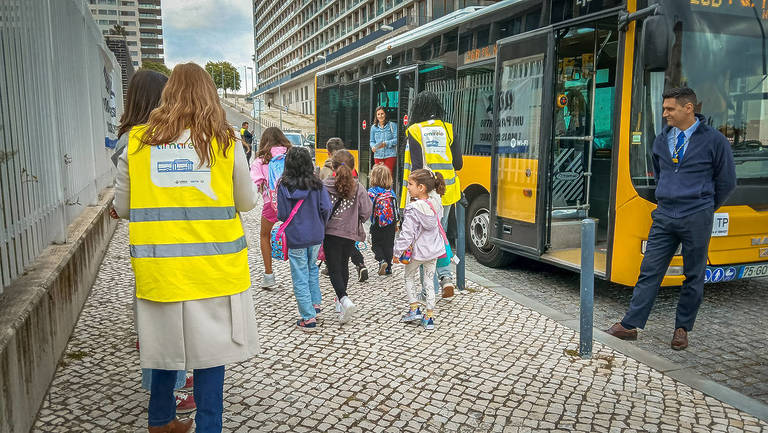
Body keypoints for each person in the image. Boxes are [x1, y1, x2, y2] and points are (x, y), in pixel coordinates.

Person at [114, 63, 260, 433]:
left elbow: (124, 207)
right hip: (214, 269)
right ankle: (209, 426)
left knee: (164, 350)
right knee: (212, 356)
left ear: (168, 94)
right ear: (210, 94)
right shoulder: (226, 142)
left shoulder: (138, 142)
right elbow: (246, 202)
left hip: (161, 268)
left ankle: (161, 420)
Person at [605, 87, 736, 350]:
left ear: (688, 109)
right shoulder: (662, 139)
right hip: (664, 215)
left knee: (693, 275)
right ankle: (630, 325)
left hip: (696, 216)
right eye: (664, 108)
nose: (664, 113)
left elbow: (727, 181)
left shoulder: (714, 140)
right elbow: (659, 172)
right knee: (649, 271)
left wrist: (705, 206)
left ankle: (682, 329)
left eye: (670, 109)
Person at [111, 69, 196, 415]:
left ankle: (169, 391)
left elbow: (124, 205)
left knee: (157, 316)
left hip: (150, 244)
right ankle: (172, 394)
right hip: (164, 242)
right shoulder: (143, 140)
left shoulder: (129, 138)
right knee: (166, 319)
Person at [401, 91, 463, 297]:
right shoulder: (448, 129)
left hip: (426, 194)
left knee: (425, 241)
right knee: (441, 235)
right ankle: (446, 277)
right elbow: (459, 164)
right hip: (448, 192)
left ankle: (430, 290)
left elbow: (417, 168)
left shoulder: (415, 130)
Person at [276, 147, 332, 332]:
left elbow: (283, 214)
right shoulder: (317, 184)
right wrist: (319, 223)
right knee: (311, 270)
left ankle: (308, 318)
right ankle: (315, 304)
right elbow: (326, 207)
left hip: (296, 236)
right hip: (316, 234)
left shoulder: (283, 185)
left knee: (300, 275)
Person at [393, 169, 448, 331]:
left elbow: (407, 234)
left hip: (417, 252)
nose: (408, 187)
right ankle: (429, 317)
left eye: (410, 184)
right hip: (434, 251)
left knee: (408, 277)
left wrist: (397, 252)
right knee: (429, 281)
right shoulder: (436, 203)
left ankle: (414, 309)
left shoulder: (413, 208)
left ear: (421, 187)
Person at [323, 150, 372, 323]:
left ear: (333, 167)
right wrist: (356, 219)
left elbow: (320, 208)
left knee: (334, 268)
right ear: (353, 167)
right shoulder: (358, 187)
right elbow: (366, 212)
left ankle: (343, 298)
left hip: (330, 232)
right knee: (343, 265)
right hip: (350, 233)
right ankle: (340, 301)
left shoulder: (325, 185)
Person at [318, 137, 369, 282]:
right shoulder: (353, 173)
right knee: (345, 255)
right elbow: (365, 209)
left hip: (331, 226)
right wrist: (358, 219)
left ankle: (341, 294)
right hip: (350, 225)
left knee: (336, 261)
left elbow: (322, 202)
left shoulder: (327, 170)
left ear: (328, 153)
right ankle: (359, 263)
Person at [250, 127, 292, 289]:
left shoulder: (260, 161)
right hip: (294, 204)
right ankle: (300, 274)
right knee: (296, 237)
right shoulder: (291, 155)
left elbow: (255, 184)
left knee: (264, 235)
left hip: (271, 204)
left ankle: (269, 275)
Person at [367, 164, 398, 276]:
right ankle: (389, 268)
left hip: (377, 223)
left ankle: (381, 260)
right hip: (390, 223)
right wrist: (396, 223)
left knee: (376, 245)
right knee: (389, 245)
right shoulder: (391, 192)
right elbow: (395, 208)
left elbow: (367, 208)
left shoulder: (371, 192)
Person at [369, 106, 398, 173]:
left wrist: (386, 143)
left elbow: (397, 140)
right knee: (378, 176)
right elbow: (372, 141)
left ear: (385, 114)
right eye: (378, 114)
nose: (380, 116)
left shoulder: (392, 125)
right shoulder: (373, 127)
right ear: (376, 116)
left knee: (387, 176)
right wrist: (373, 146)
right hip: (378, 156)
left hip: (390, 155)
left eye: (382, 114)